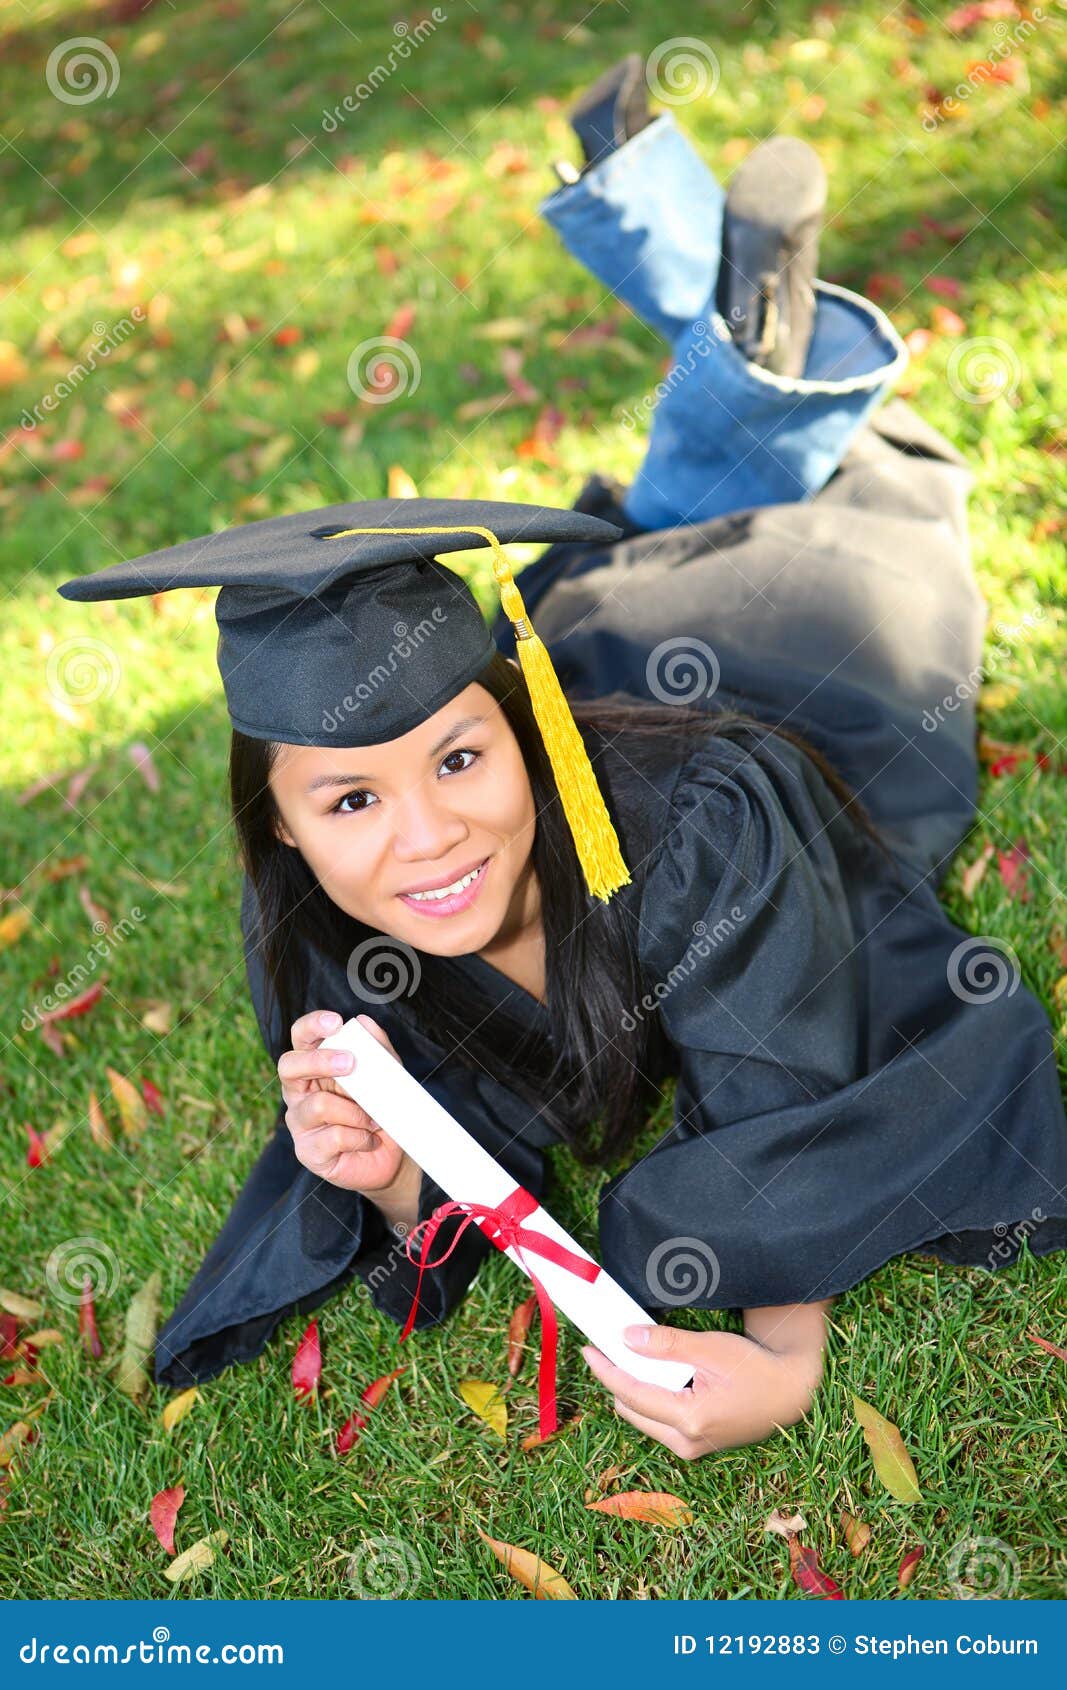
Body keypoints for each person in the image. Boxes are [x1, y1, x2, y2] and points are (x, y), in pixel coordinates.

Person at [57, 67, 1067, 1460]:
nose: (426, 835)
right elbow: (460, 1140)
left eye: (457, 757)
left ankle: (736, 326)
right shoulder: (315, 922)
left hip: (792, 656)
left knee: (786, 486)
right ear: (280, 825)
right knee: (665, 510)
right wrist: (396, 1174)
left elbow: (786, 1081)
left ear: (512, 722)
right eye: (349, 795)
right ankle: (683, 255)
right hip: (597, 639)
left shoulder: (708, 820)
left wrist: (784, 1356)